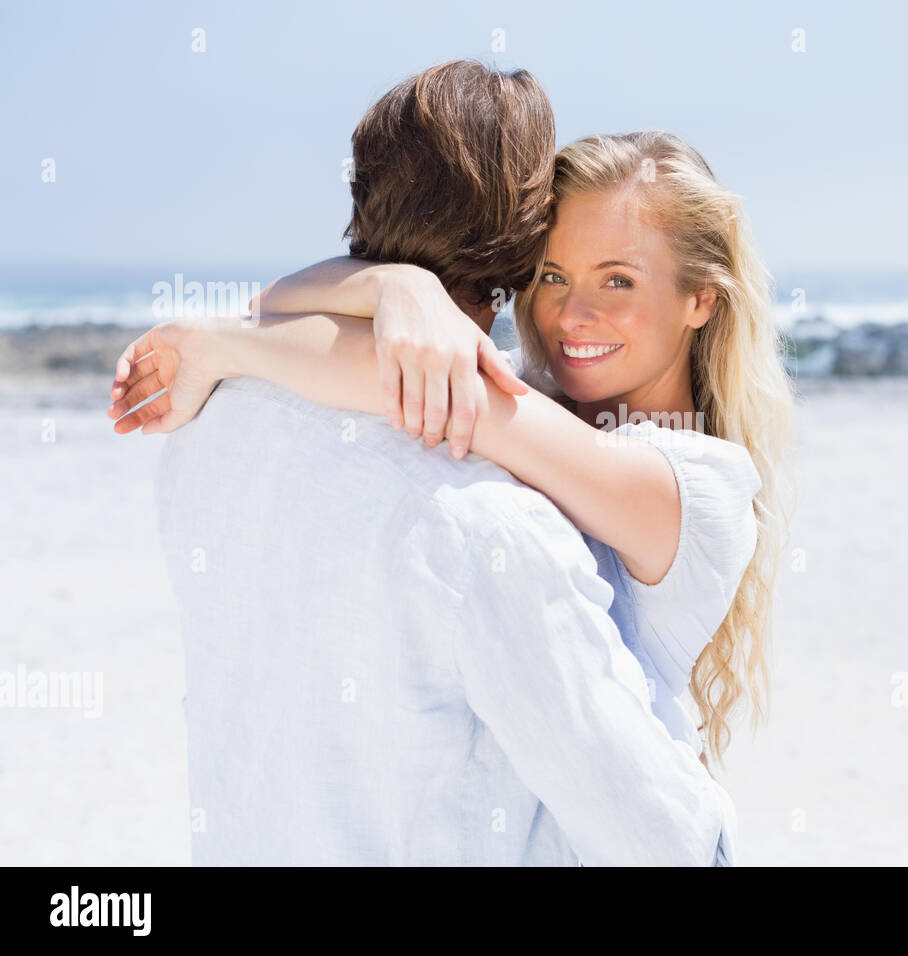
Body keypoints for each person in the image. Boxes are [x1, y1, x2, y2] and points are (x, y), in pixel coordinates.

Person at [125, 62, 739, 865]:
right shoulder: (500, 500)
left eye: (617, 279)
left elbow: (437, 388)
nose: (574, 311)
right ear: (522, 255)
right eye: (552, 273)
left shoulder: (209, 419)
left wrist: (243, 339)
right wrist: (398, 291)